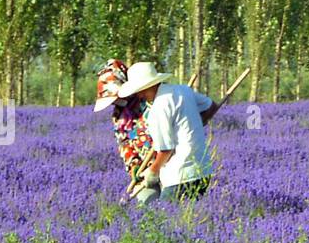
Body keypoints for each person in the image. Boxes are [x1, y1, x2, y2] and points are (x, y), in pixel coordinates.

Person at [119, 61, 222, 203]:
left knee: (166, 219)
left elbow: (166, 150)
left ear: (145, 88)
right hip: (202, 171)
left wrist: (152, 172)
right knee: (189, 221)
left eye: (139, 91)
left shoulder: (158, 108)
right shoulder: (183, 90)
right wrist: (196, 123)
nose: (140, 96)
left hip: (180, 175)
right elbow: (211, 106)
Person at [94, 59, 159, 206]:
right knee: (145, 203)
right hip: (145, 173)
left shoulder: (150, 101)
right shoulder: (119, 116)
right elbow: (125, 144)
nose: (115, 103)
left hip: (168, 166)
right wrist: (134, 166)